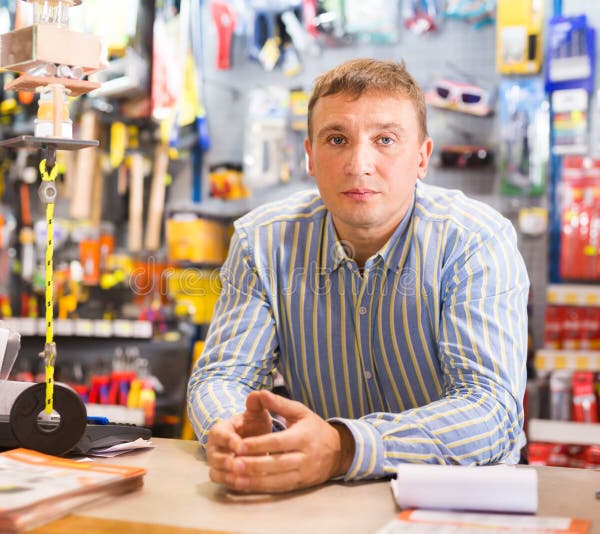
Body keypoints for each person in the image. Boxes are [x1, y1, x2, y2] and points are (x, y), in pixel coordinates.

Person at [187, 58, 529, 494]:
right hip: (325, 494)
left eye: (385, 139)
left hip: (460, 498)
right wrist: (241, 430)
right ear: (310, 156)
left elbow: (491, 410)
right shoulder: (263, 242)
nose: (359, 164)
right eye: (337, 139)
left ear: (422, 157)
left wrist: (345, 447)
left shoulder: (475, 241)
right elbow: (222, 377)